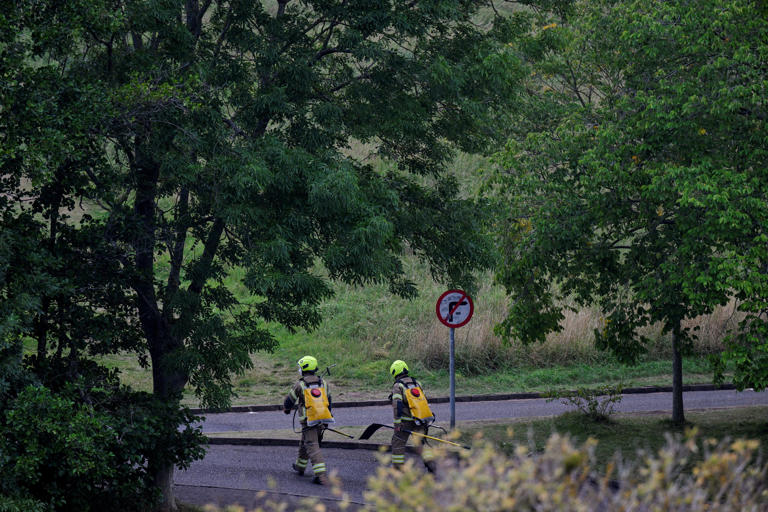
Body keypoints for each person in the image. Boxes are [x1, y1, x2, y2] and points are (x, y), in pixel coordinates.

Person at [283, 355, 334, 485]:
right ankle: (300, 466)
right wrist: (327, 419)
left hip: (308, 421)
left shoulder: (300, 384)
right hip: (322, 419)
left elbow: (289, 401)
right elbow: (329, 401)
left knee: (312, 446)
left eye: (300, 368)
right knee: (305, 442)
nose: (299, 370)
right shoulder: (324, 383)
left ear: (304, 369)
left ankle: (320, 475)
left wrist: (287, 409)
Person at [389, 360, 436, 472]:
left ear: (395, 372)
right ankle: (431, 465)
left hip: (405, 422)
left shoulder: (398, 386)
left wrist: (397, 423)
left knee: (397, 442)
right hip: (420, 420)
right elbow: (423, 401)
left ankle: (398, 467)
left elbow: (397, 405)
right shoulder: (416, 383)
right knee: (420, 443)